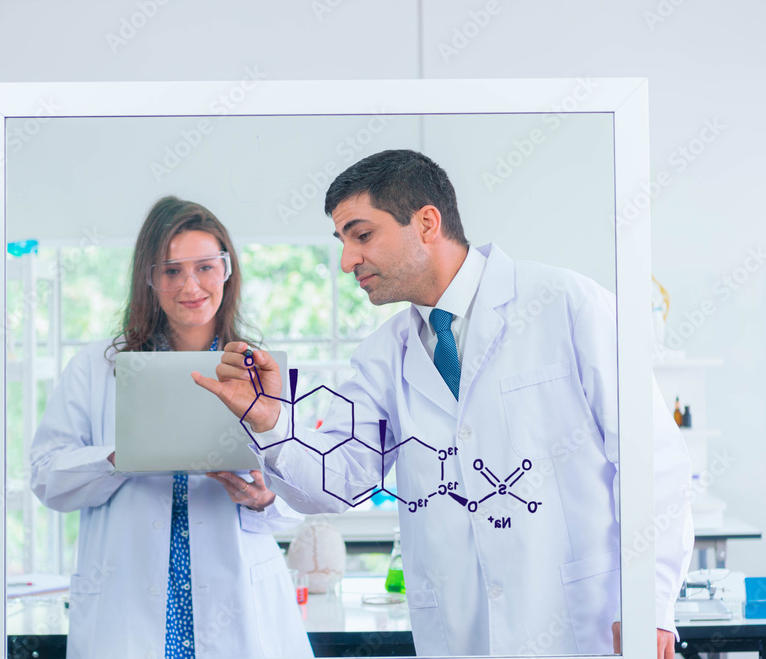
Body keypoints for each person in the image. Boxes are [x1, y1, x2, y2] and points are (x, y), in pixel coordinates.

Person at [194, 150, 694, 657]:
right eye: (342, 241)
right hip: (460, 635)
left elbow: (652, 464)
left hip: (584, 626)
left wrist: (649, 606)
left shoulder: (566, 303)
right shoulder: (383, 356)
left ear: (427, 223)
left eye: (362, 235)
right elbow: (339, 483)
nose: (347, 261)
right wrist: (272, 420)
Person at [30, 196, 313, 659]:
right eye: (171, 271)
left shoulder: (260, 369)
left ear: (227, 270)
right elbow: (46, 479)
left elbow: (301, 496)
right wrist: (118, 459)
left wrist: (266, 498)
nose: (190, 286)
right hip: (127, 614)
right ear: (149, 279)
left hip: (238, 608)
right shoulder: (96, 367)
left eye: (205, 267)